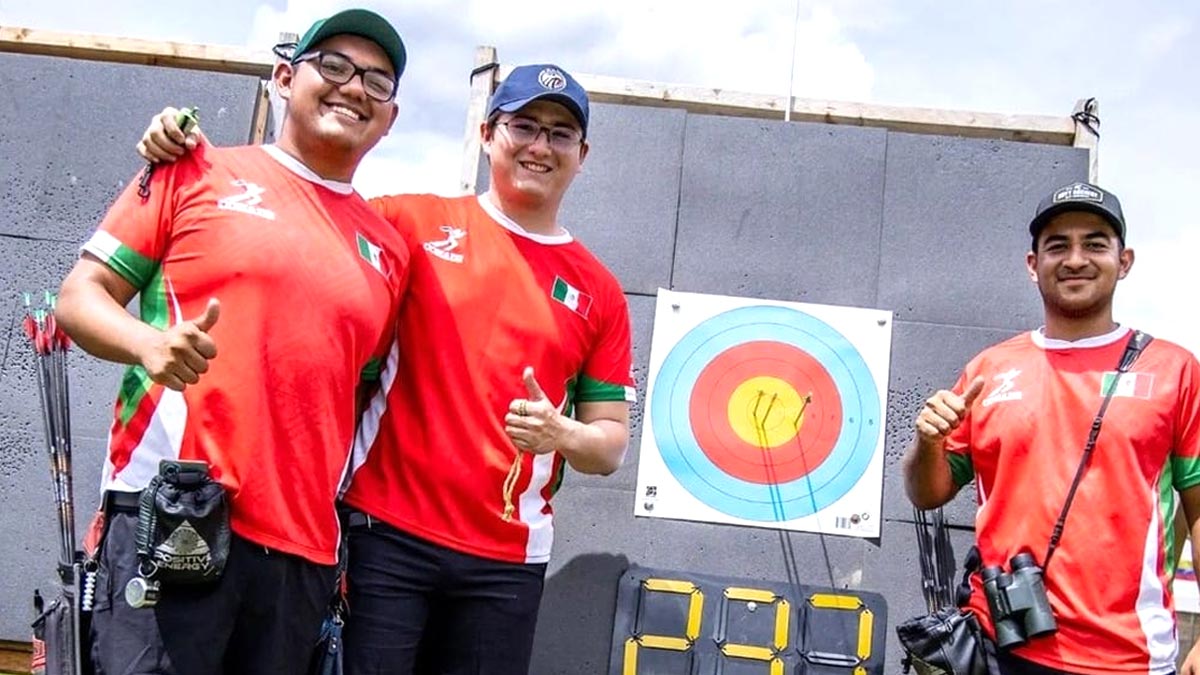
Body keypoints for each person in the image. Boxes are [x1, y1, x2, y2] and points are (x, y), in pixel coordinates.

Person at [139, 63, 635, 674]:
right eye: (524, 125)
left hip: (507, 562)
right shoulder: (406, 223)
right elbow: (299, 204)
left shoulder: (601, 292)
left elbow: (609, 446)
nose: (539, 145)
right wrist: (190, 152)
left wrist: (565, 435)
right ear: (488, 134)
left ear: (582, 154)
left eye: (560, 133)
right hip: (383, 536)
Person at [56, 9, 409, 674]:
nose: (354, 86)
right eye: (332, 66)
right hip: (172, 514)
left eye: (377, 80)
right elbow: (79, 297)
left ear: (390, 118)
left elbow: (358, 389)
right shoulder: (193, 170)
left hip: (302, 552)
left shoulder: (388, 248)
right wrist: (147, 344)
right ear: (283, 77)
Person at [902, 181, 1200, 675]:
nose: (1076, 258)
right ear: (1032, 263)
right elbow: (927, 493)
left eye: (1095, 243)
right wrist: (927, 441)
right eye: (1057, 245)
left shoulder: (1175, 371)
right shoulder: (989, 369)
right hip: (996, 645)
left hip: (1127, 658)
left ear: (1123, 261)